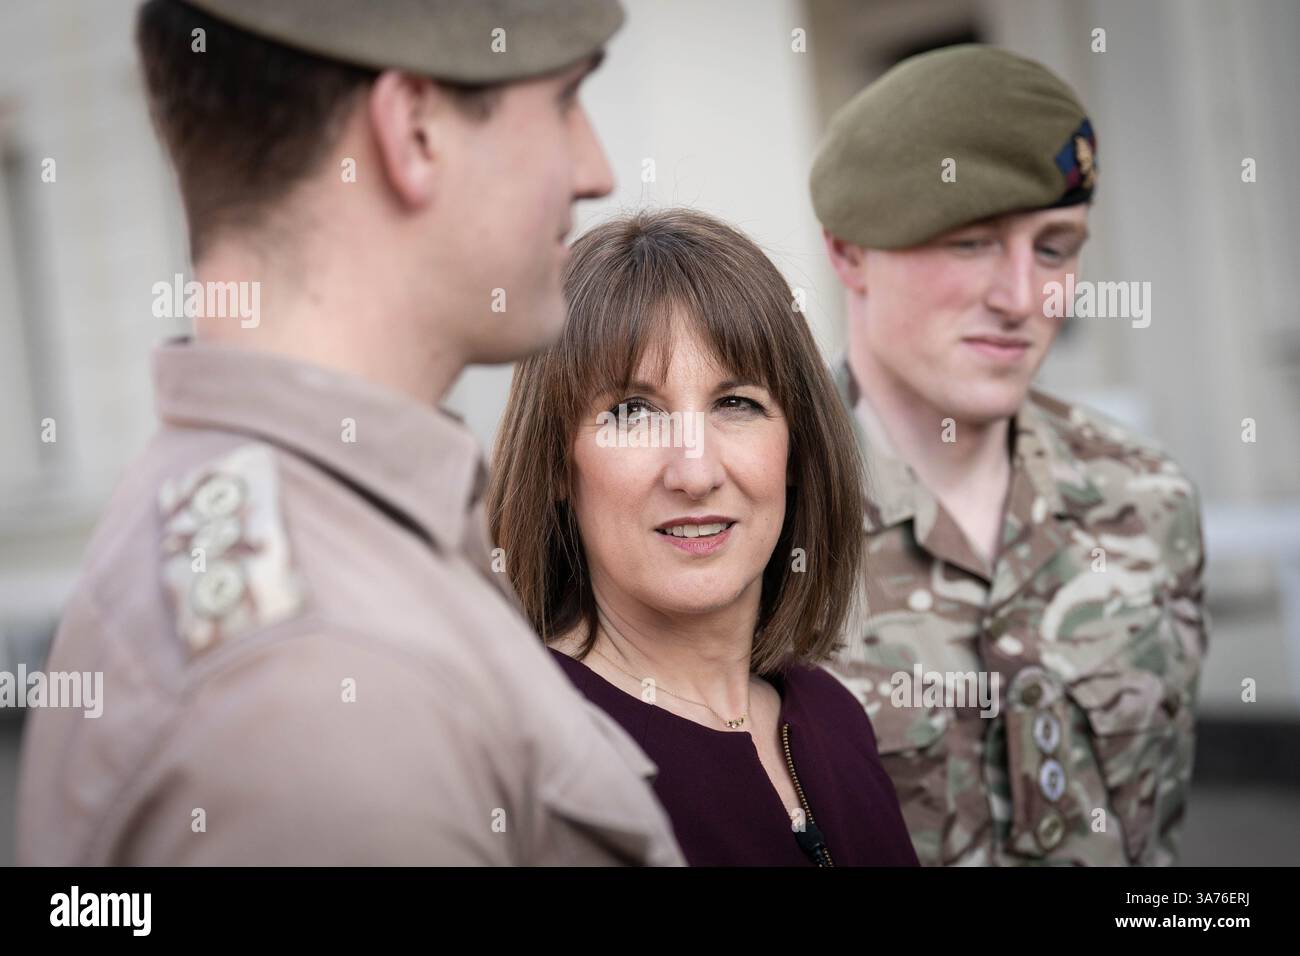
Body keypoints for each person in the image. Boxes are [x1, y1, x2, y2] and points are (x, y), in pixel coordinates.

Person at [17, 0, 684, 866]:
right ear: (413, 132)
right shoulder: (321, 693)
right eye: (563, 102)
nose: (594, 170)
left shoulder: (290, 523)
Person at [809, 44, 1208, 865]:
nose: (1023, 299)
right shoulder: (757, 516)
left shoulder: (1146, 496)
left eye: (1055, 247)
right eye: (972, 243)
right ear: (849, 251)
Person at [488, 208, 919, 867]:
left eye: (735, 404)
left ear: (797, 448)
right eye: (632, 411)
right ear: (556, 466)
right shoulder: (522, 760)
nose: (695, 472)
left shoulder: (835, 718)